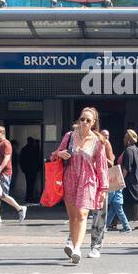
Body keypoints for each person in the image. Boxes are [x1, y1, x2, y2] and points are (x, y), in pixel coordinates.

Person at [50, 107, 109, 264]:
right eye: (82, 119)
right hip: (70, 179)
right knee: (73, 217)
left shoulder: (98, 142)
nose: (84, 122)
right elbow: (54, 154)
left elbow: (102, 167)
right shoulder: (69, 136)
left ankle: (77, 248)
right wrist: (59, 154)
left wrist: (103, 189)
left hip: (88, 181)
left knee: (82, 215)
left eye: (88, 120)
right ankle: (73, 242)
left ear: (93, 123)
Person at [0, 125, 27, 224]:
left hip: (4, 173)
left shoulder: (6, 144)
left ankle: (20, 208)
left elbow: (7, 158)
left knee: (2, 194)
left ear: (1, 133)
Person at [119, 129, 138, 230]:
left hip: (131, 180)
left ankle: (116, 221)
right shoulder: (137, 149)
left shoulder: (128, 150)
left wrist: (121, 180)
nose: (123, 138)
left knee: (125, 201)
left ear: (128, 139)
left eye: (125, 137)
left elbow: (126, 168)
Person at [20, 136, 42, 204]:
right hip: (33, 169)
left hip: (27, 170)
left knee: (28, 184)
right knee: (32, 184)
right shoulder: (34, 149)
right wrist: (39, 168)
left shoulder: (24, 149)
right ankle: (30, 197)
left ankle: (28, 198)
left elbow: (21, 160)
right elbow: (38, 157)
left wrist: (23, 169)